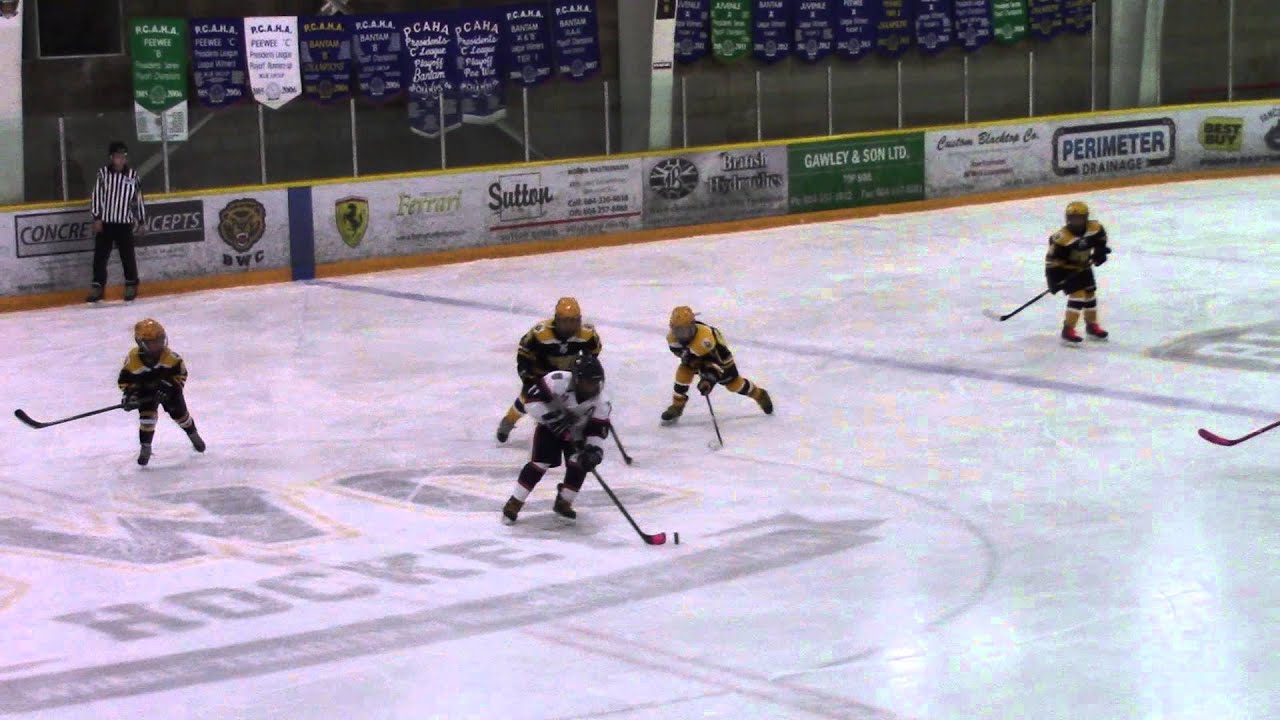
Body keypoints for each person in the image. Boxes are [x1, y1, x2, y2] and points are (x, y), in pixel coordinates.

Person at [501, 354, 610, 525]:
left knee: (579, 464)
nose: (592, 387)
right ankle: (515, 502)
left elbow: (597, 432)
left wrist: (593, 453)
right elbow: (531, 401)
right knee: (539, 463)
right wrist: (552, 420)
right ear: (576, 379)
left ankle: (564, 501)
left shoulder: (602, 403)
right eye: (588, 382)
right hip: (548, 427)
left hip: (577, 433)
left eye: (595, 382)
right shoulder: (557, 380)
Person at [496, 297, 603, 442]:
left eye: (574, 321)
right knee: (527, 397)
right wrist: (527, 375)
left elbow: (594, 353)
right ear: (556, 320)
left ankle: (577, 429)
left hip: (569, 375)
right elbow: (524, 353)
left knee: (578, 400)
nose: (570, 327)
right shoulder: (540, 333)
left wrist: (586, 369)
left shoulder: (587, 335)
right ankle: (508, 421)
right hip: (541, 373)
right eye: (566, 322)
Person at [662, 306, 772, 422]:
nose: (683, 336)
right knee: (683, 374)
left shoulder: (705, 339)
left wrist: (708, 380)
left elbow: (715, 364)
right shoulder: (672, 339)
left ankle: (759, 394)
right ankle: (677, 406)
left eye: (686, 331)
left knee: (734, 385)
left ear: (693, 325)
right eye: (679, 331)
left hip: (720, 359)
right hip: (696, 357)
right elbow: (681, 354)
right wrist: (691, 361)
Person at [119, 319, 206, 466]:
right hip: (145, 392)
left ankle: (192, 433)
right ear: (141, 343)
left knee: (180, 414)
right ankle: (145, 447)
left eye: (159, 340)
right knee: (147, 419)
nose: (158, 345)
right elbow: (124, 381)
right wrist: (130, 395)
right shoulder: (132, 361)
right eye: (153, 342)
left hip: (169, 391)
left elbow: (181, 375)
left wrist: (169, 388)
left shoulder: (172, 358)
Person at [87, 141, 147, 303]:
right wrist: (97, 218)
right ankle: (98, 286)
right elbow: (97, 196)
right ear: (111, 158)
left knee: (127, 256)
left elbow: (137, 199)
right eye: (117, 157)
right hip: (106, 222)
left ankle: (131, 284)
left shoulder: (133, 176)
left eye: (123, 157)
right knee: (100, 256)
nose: (120, 160)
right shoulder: (103, 174)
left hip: (124, 223)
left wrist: (141, 220)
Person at [1045, 201, 1111, 344]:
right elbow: (1051, 261)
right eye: (1073, 218)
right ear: (1067, 219)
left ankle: (1091, 326)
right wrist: (1053, 280)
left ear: (1086, 218)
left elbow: (1101, 239)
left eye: (1080, 218)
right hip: (1065, 270)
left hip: (1084, 267)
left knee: (1089, 294)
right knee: (1077, 295)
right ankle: (1068, 329)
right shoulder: (1061, 237)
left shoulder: (1095, 227)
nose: (1076, 221)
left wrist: (1099, 252)